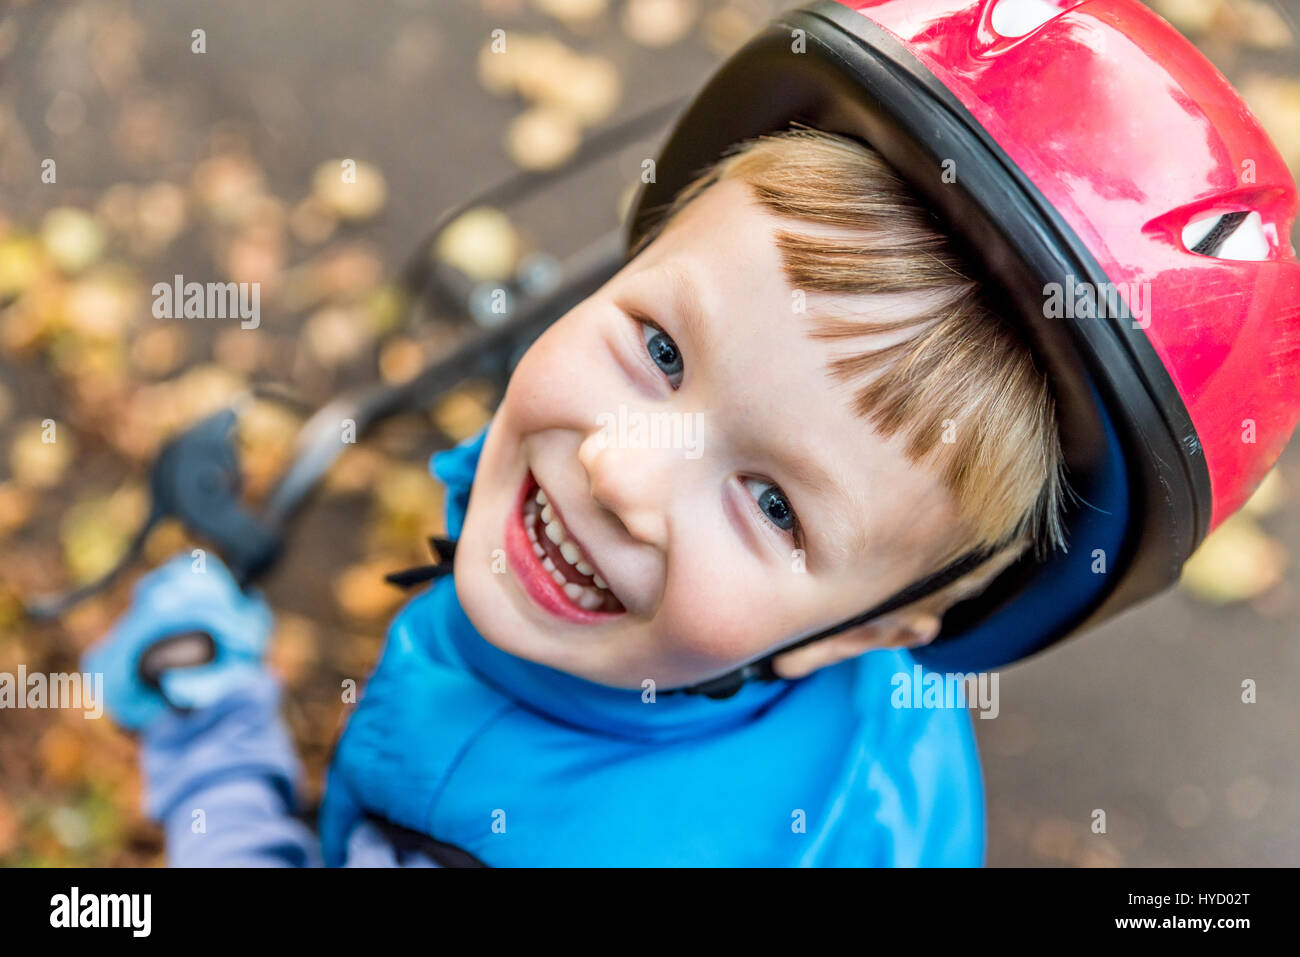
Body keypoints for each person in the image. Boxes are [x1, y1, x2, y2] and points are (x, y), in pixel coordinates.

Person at [81, 0, 1300, 866]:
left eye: (773, 503)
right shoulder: (859, 717)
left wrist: (212, 737)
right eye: (660, 351)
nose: (618, 470)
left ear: (877, 628)